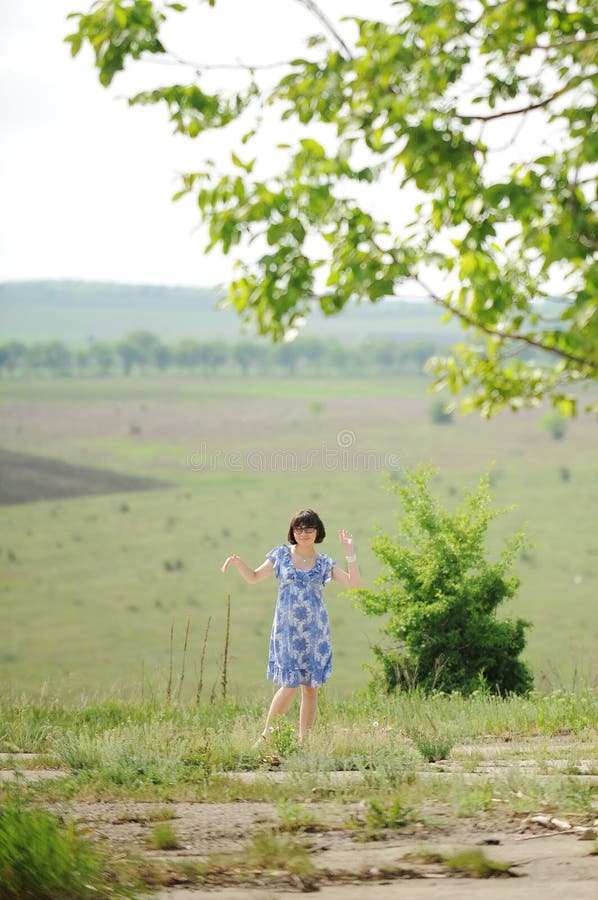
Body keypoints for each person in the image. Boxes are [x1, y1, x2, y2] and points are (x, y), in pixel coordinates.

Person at [221, 508, 361, 745]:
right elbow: (254, 577)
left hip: (315, 632)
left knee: (310, 688)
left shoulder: (324, 562)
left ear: (318, 532)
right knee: (289, 685)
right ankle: (265, 738)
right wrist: (237, 562)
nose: (303, 533)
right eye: (298, 528)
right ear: (292, 531)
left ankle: (303, 742)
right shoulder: (281, 555)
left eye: (308, 528)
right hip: (286, 631)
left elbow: (354, 585)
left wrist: (350, 553)